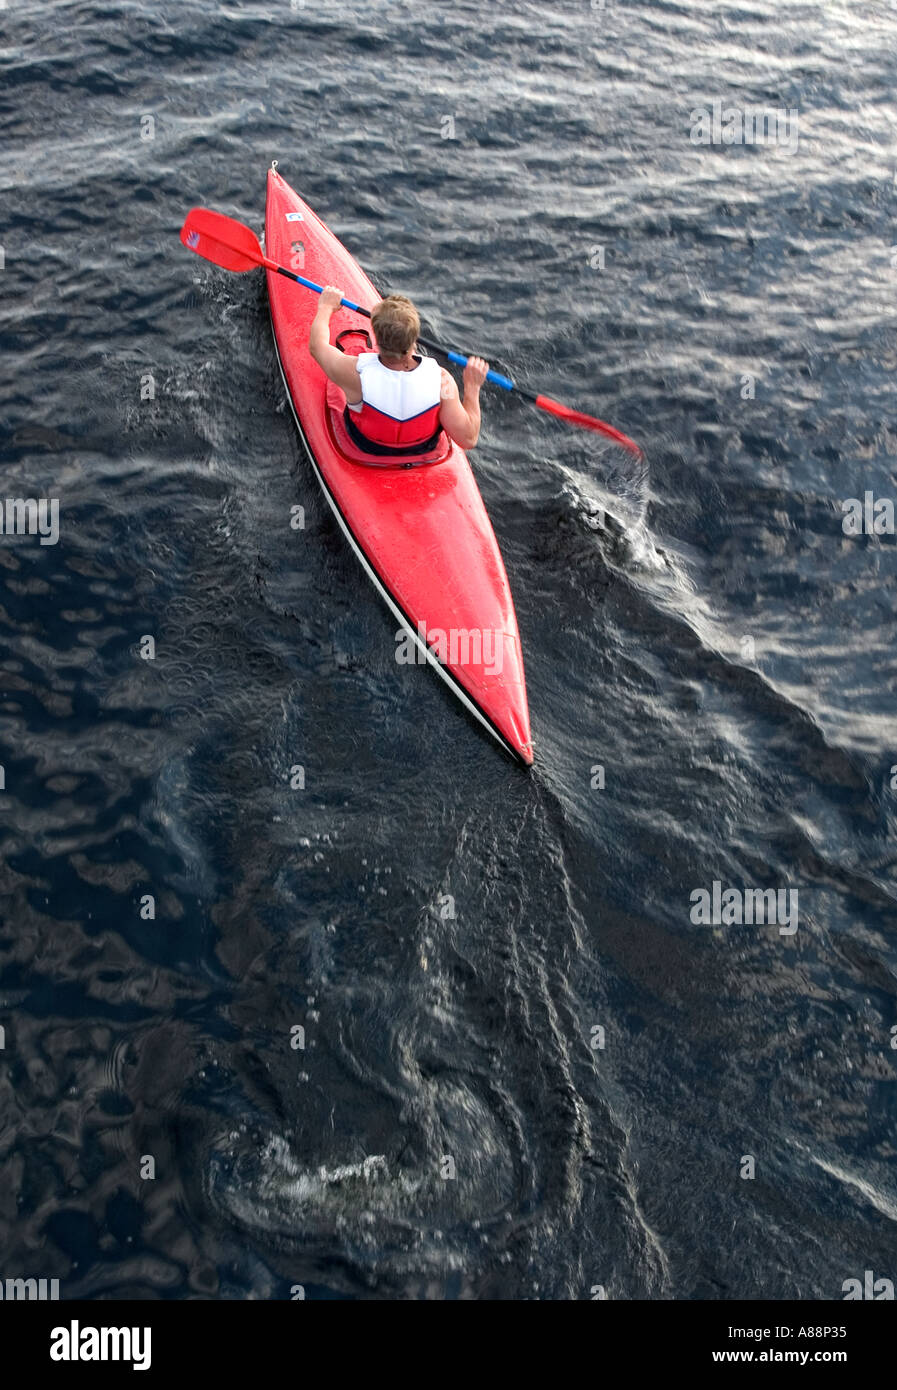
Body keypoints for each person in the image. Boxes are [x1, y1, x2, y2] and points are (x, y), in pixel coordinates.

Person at [309, 288, 489, 455]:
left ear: (377, 338)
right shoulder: (442, 381)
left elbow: (317, 347)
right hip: (421, 450)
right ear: (414, 340)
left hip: (366, 446)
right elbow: (468, 439)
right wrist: (472, 386)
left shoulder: (354, 373)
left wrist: (325, 307)